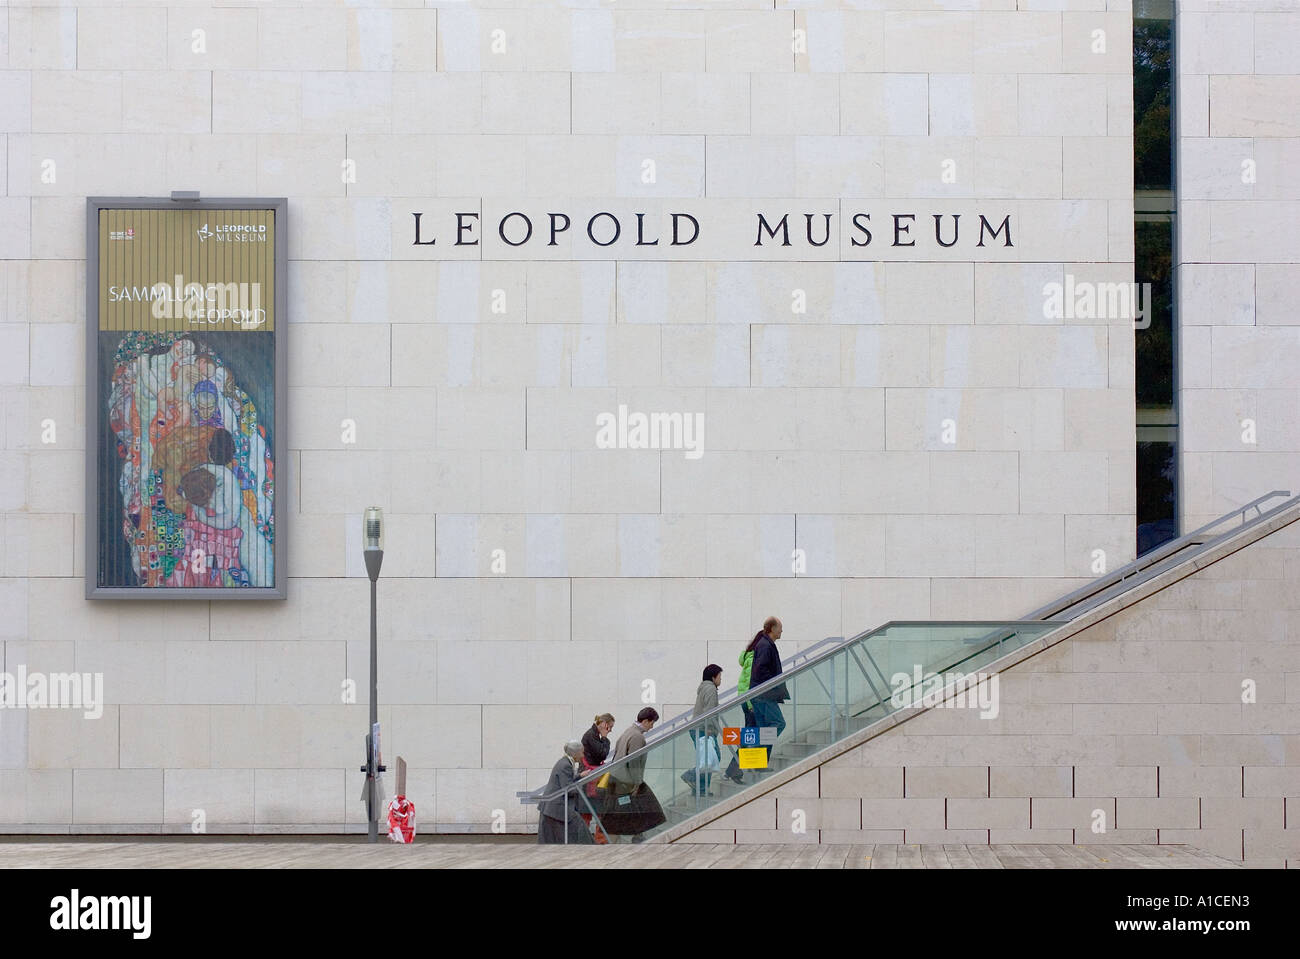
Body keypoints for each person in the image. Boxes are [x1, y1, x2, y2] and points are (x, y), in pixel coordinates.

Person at [601, 707, 666, 842]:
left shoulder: (629, 731)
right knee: (644, 807)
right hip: (625, 781)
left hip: (618, 778)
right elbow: (634, 762)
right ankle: (636, 836)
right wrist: (637, 783)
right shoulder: (637, 736)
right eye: (652, 723)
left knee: (623, 813)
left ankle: (637, 835)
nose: (652, 727)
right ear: (646, 721)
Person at [748, 616, 790, 761]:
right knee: (779, 723)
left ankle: (759, 764)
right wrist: (774, 683)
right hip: (764, 694)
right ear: (772, 628)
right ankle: (752, 750)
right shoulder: (765, 645)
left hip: (759, 694)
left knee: (765, 729)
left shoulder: (765, 644)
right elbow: (760, 669)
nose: (782, 631)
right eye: (780, 628)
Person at [536, 741, 594, 844]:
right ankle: (590, 846)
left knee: (550, 838)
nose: (583, 756)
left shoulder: (564, 762)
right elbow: (568, 789)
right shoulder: (566, 765)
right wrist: (584, 788)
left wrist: (580, 776)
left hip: (551, 806)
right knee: (578, 824)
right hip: (556, 806)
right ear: (575, 754)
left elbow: (566, 780)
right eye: (581, 753)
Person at [681, 665, 723, 796]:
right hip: (704, 729)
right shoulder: (711, 689)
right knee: (713, 758)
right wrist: (709, 728)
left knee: (705, 759)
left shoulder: (704, 688)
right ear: (713, 677)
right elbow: (709, 710)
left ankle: (700, 789)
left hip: (698, 728)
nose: (720, 679)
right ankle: (691, 776)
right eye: (719, 676)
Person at [723, 633, 760, 783]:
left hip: (747, 702)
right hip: (751, 703)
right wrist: (751, 705)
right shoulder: (753, 660)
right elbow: (752, 684)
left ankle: (735, 770)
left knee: (751, 736)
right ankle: (733, 771)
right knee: (750, 737)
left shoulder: (749, 657)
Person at [579, 713, 614, 844]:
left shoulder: (592, 735)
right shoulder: (591, 736)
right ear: (604, 724)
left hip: (590, 778)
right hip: (590, 778)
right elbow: (602, 754)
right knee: (596, 811)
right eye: (610, 727)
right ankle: (598, 839)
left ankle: (587, 839)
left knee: (588, 811)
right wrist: (605, 738)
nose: (610, 730)